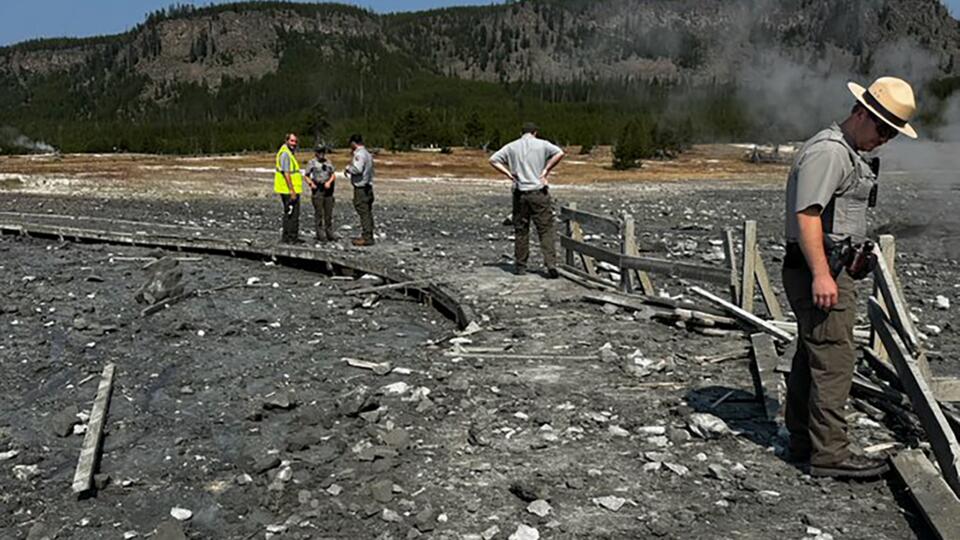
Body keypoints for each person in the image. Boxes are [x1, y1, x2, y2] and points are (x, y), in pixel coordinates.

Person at [782, 77, 917, 479]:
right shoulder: (830, 152)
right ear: (861, 113)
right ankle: (830, 454)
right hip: (821, 268)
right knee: (835, 359)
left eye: (892, 133)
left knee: (813, 355)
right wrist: (822, 274)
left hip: (826, 266)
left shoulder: (844, 151)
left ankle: (804, 442)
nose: (884, 139)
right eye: (882, 129)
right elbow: (808, 215)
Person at [489, 122, 565, 278]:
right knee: (545, 229)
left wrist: (508, 174)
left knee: (521, 230)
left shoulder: (511, 146)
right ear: (535, 132)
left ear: (521, 133)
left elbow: (493, 160)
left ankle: (521, 266)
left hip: (520, 193)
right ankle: (550, 264)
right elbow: (560, 153)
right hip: (538, 191)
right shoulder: (543, 144)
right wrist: (546, 170)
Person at [344, 133, 375, 246]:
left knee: (363, 211)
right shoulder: (367, 154)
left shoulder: (359, 154)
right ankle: (368, 233)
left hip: (361, 187)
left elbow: (357, 169)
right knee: (367, 211)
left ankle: (367, 237)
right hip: (368, 186)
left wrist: (348, 168)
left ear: (353, 143)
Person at [304, 144, 338, 242]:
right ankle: (320, 233)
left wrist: (329, 182)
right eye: (319, 152)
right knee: (319, 212)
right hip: (318, 188)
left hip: (328, 189)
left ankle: (329, 232)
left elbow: (333, 175)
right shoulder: (312, 163)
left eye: (323, 152)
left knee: (328, 212)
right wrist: (311, 183)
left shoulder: (328, 162)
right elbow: (306, 175)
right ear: (316, 153)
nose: (321, 154)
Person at [274, 133, 304, 244]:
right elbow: (286, 173)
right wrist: (292, 190)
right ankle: (290, 237)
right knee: (292, 214)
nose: (294, 143)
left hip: (288, 189)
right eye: (292, 141)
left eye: (295, 141)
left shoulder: (288, 153)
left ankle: (288, 237)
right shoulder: (285, 154)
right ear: (286, 141)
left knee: (290, 213)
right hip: (288, 190)